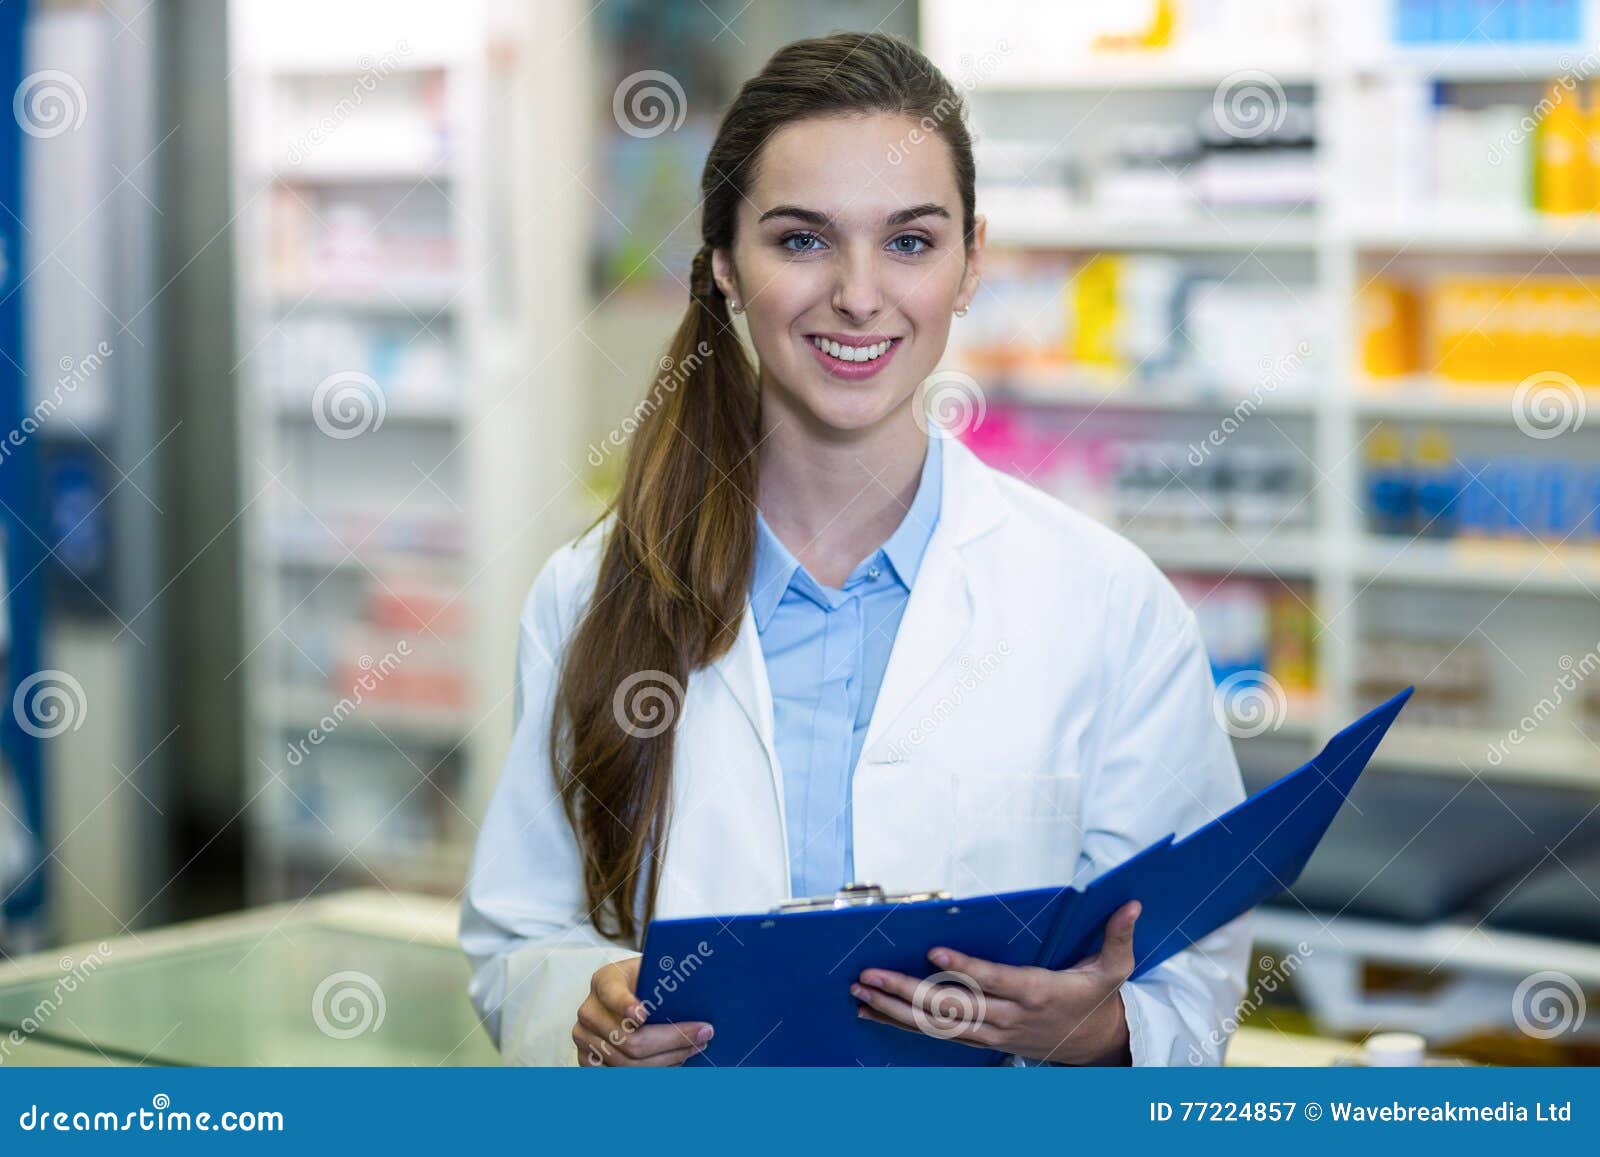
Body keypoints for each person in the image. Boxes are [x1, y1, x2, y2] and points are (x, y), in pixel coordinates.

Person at [460, 30, 1248, 1067]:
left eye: (911, 242)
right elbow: (518, 937)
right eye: (801, 240)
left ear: (971, 264)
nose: (860, 294)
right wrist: (585, 1006)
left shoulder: (1105, 601)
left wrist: (1102, 1028)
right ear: (724, 270)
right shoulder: (591, 593)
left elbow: (1191, 960)